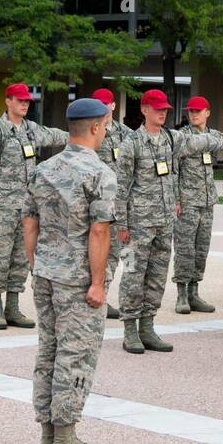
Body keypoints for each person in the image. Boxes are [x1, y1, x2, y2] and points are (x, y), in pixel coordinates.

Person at [22, 97, 116, 444]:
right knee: (75, 355)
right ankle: (65, 438)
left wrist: (37, 265)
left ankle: (47, 434)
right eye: (106, 126)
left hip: (46, 274)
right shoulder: (99, 173)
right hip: (78, 280)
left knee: (49, 351)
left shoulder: (43, 169)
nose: (106, 132)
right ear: (94, 127)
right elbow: (98, 232)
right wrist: (97, 282)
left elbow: (30, 223)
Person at [115, 89, 223, 354]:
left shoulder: (170, 138)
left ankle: (147, 326)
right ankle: (130, 330)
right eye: (157, 108)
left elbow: (198, 143)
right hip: (136, 226)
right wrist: (121, 225)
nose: (162, 112)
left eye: (165, 109)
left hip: (163, 223)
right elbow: (120, 187)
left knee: (156, 277)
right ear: (144, 110)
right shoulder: (132, 143)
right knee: (133, 275)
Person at [0, 83, 72, 331]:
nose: (25, 104)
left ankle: (13, 307)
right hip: (1, 208)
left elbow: (52, 135)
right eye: (20, 100)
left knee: (20, 258)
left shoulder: (30, 130)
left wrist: (77, 136)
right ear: (8, 101)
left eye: (27, 101)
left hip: (26, 207)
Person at [173, 95, 223, 314]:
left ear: (207, 113)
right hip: (187, 202)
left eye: (198, 111)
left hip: (207, 201)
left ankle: (194, 292)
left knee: (201, 249)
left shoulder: (213, 136)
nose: (193, 114)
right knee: (185, 249)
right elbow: (173, 170)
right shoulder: (181, 137)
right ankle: (182, 294)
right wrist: (176, 199)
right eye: (191, 111)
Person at [93, 87, 134, 318]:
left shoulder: (127, 134)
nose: (103, 108)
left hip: (121, 206)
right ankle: (97, 296)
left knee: (123, 255)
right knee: (99, 253)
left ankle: (109, 297)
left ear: (113, 106)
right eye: (98, 104)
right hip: (98, 205)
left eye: (106, 104)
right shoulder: (91, 132)